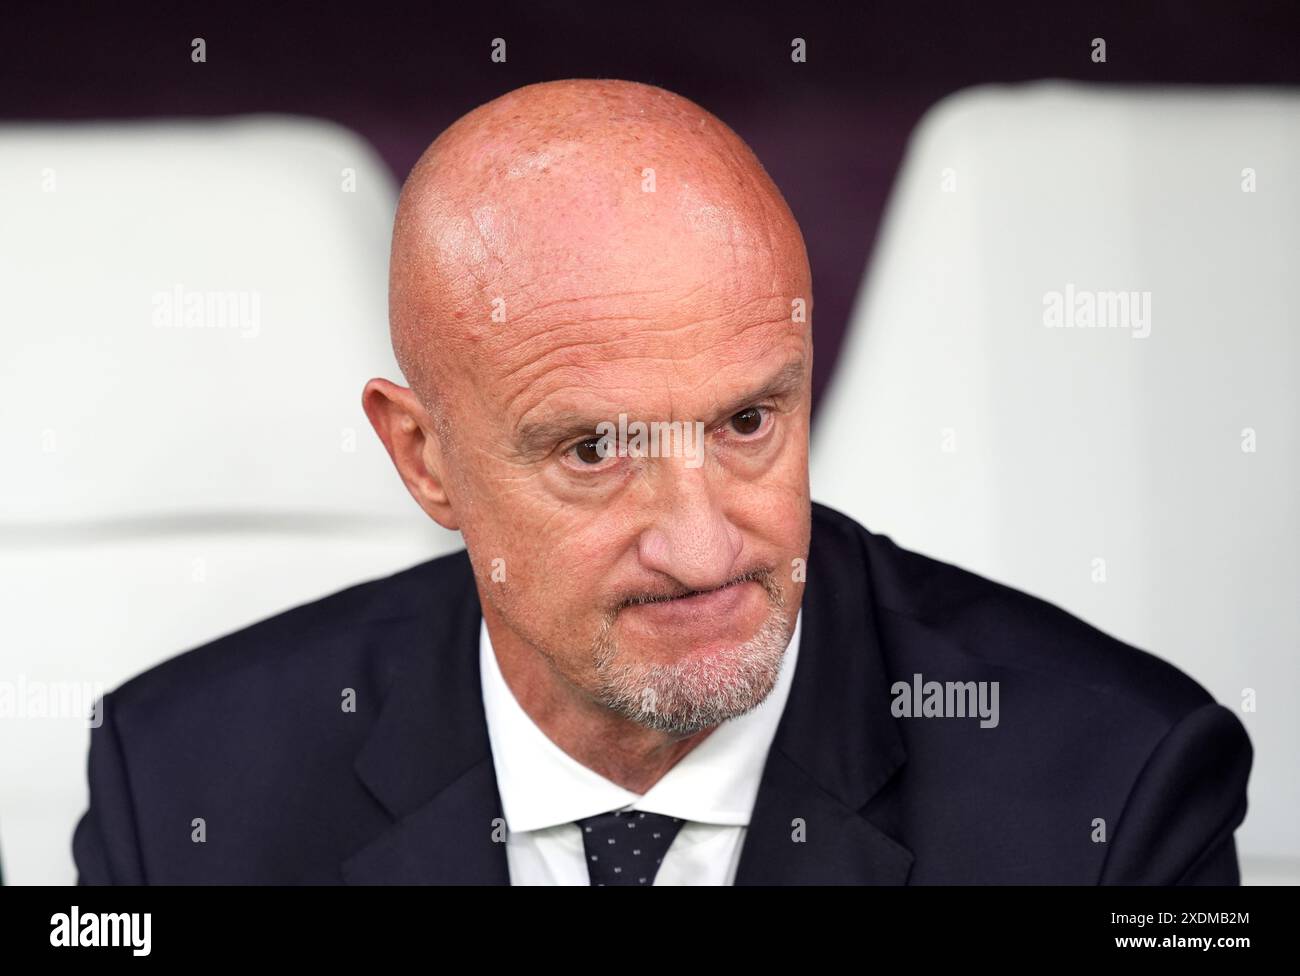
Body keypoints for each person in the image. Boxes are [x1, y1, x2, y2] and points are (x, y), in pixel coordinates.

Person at [73, 78, 1252, 885]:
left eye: (747, 422)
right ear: (423, 457)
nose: (701, 548)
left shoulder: (1116, 790)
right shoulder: (181, 786)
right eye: (594, 450)